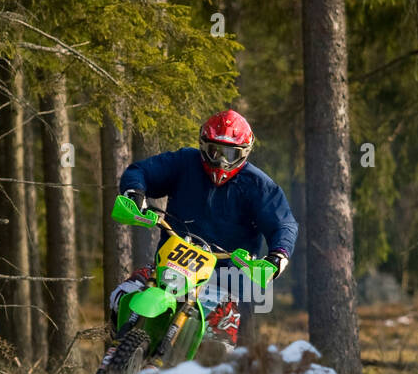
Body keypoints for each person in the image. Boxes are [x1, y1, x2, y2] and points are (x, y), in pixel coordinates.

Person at [111, 109, 298, 346]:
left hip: (226, 277)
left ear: (244, 153)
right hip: (170, 267)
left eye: (230, 153)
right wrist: (135, 193)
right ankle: (117, 355)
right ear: (203, 146)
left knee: (220, 346)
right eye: (214, 151)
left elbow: (284, 223)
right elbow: (141, 171)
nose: (221, 160)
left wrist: (277, 255)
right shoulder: (185, 162)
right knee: (119, 297)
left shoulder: (259, 186)